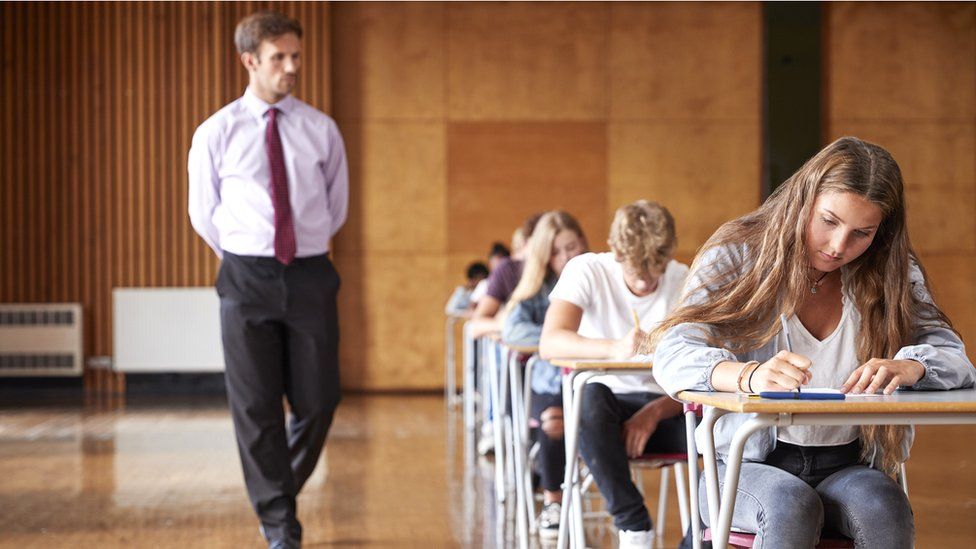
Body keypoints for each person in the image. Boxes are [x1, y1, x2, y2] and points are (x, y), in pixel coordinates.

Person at [652, 136, 976, 548]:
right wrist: (749, 376)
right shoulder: (738, 254)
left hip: (850, 463)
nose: (839, 246)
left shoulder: (892, 270)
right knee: (790, 506)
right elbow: (672, 352)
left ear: (882, 232)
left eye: (862, 233)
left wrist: (912, 366)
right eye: (829, 221)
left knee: (885, 507)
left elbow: (956, 359)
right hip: (745, 465)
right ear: (803, 200)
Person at [187, 11, 348, 549]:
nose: (291, 66)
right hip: (246, 275)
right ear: (250, 61)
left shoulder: (321, 130)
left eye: (296, 56)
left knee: (320, 401)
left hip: (310, 273)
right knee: (256, 410)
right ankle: (280, 525)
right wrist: (245, 255)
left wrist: (298, 252)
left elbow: (336, 207)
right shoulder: (217, 131)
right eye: (279, 57)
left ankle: (275, 493)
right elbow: (203, 212)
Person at [539, 200, 690, 548]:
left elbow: (699, 372)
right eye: (637, 271)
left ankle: (700, 537)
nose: (646, 281)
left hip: (667, 408)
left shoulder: (682, 278)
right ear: (615, 252)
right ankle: (633, 525)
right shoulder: (587, 270)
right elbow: (550, 341)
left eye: (656, 269)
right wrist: (613, 348)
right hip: (603, 419)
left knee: (729, 432)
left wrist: (652, 413)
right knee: (589, 396)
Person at [502, 210, 588, 539]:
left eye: (571, 247)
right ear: (544, 256)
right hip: (549, 382)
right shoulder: (537, 288)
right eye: (556, 252)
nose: (566, 257)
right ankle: (553, 501)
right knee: (554, 419)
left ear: (583, 242)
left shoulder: (595, 276)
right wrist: (561, 336)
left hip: (593, 379)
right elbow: (512, 330)